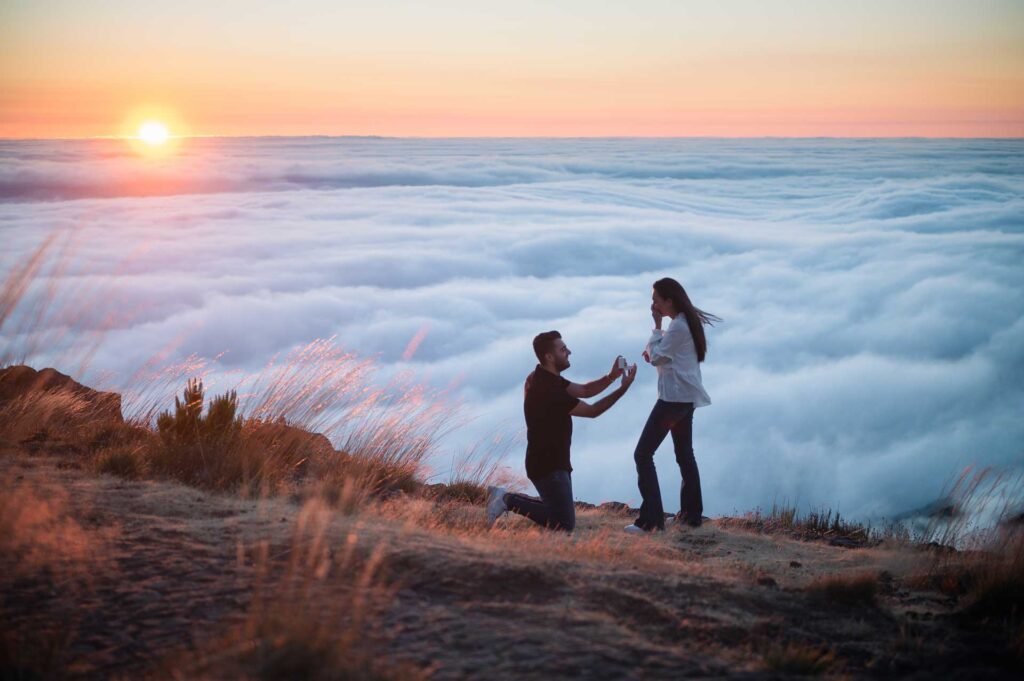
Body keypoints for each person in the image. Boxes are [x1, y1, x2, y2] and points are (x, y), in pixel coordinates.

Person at [486, 330, 637, 532]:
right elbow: (593, 411)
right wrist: (623, 388)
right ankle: (506, 499)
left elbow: (584, 390)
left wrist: (611, 377)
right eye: (563, 349)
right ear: (549, 356)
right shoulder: (549, 390)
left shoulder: (542, 376)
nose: (569, 352)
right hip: (549, 464)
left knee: (559, 515)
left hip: (546, 460)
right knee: (563, 524)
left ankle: (505, 498)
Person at [626, 277, 719, 533]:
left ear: (669, 300)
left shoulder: (677, 327)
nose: (653, 304)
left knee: (643, 454)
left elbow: (656, 357)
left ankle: (651, 521)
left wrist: (656, 327)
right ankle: (691, 516)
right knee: (684, 455)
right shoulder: (685, 323)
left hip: (672, 400)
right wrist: (657, 348)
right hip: (685, 399)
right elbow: (664, 356)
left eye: (656, 299)